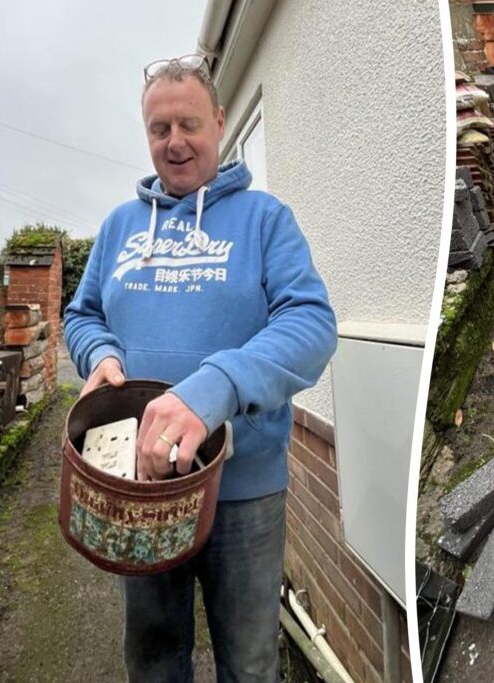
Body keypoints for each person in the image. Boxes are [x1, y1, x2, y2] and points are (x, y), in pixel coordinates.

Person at [64, 54, 337, 681]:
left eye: (188, 124)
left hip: (242, 491)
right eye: (159, 129)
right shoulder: (119, 227)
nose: (175, 142)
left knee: (250, 663)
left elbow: (311, 325)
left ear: (218, 121)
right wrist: (101, 355)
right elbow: (82, 315)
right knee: (153, 659)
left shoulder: (265, 219)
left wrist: (215, 386)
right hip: (140, 488)